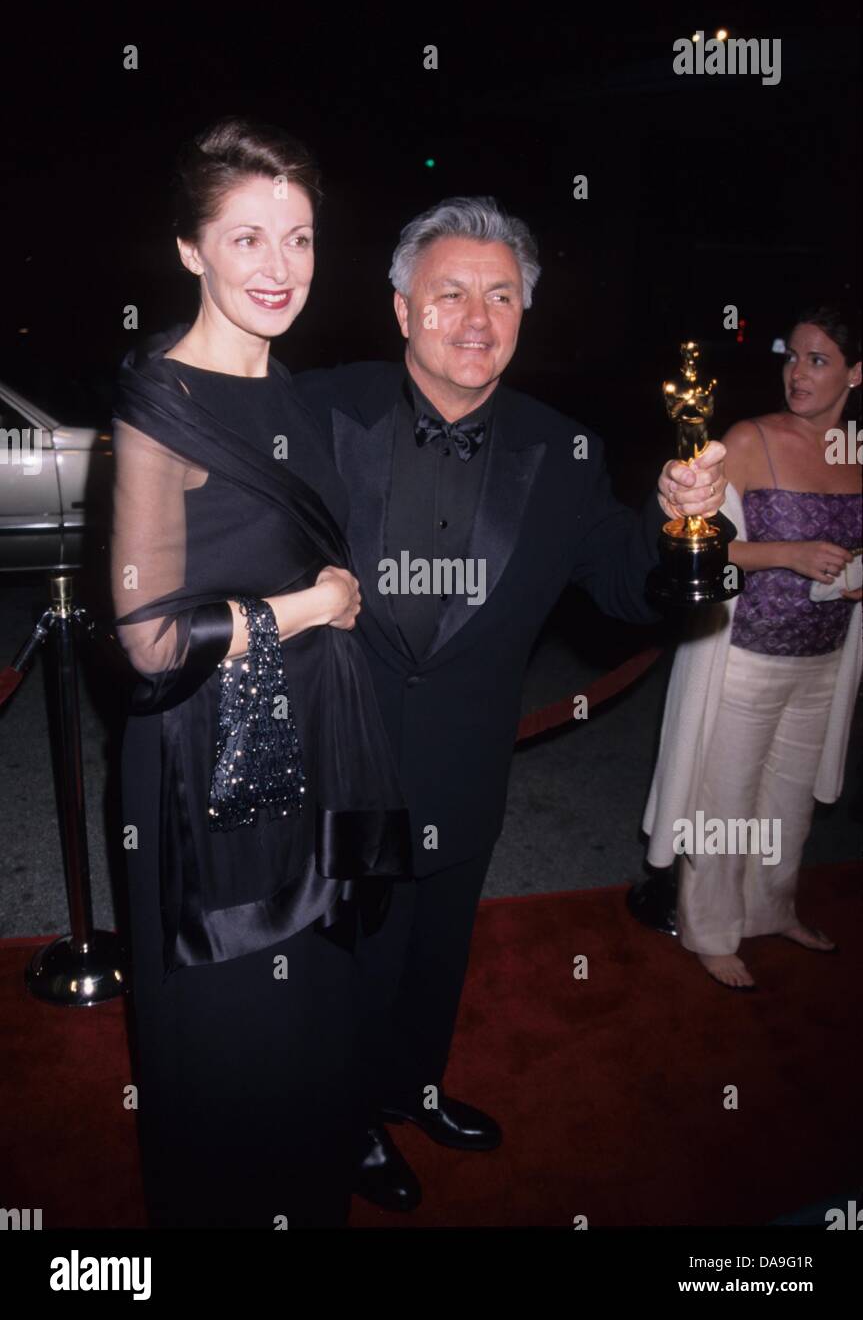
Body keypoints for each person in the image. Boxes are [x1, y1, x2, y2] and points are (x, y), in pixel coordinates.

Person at [292, 195, 728, 1210]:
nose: (475, 319)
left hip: (466, 755)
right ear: (402, 308)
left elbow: (625, 586)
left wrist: (679, 537)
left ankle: (412, 1086)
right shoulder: (310, 410)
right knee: (347, 948)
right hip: (338, 748)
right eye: (448, 293)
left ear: (525, 313)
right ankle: (342, 1114)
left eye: (500, 295)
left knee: (438, 944)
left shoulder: (564, 451)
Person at [110, 116, 411, 1228]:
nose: (279, 267)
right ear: (190, 249)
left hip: (316, 734)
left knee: (310, 1010)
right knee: (231, 1024)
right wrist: (316, 604)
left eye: (299, 237)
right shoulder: (159, 399)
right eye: (246, 239)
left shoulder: (298, 393)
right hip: (205, 757)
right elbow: (145, 643)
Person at [643, 305, 862, 990]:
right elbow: (697, 545)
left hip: (822, 659)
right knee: (725, 798)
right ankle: (709, 929)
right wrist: (788, 555)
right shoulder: (746, 439)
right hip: (743, 656)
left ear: (855, 374)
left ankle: (771, 910)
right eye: (791, 356)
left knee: (789, 802)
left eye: (817, 360)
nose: (796, 372)